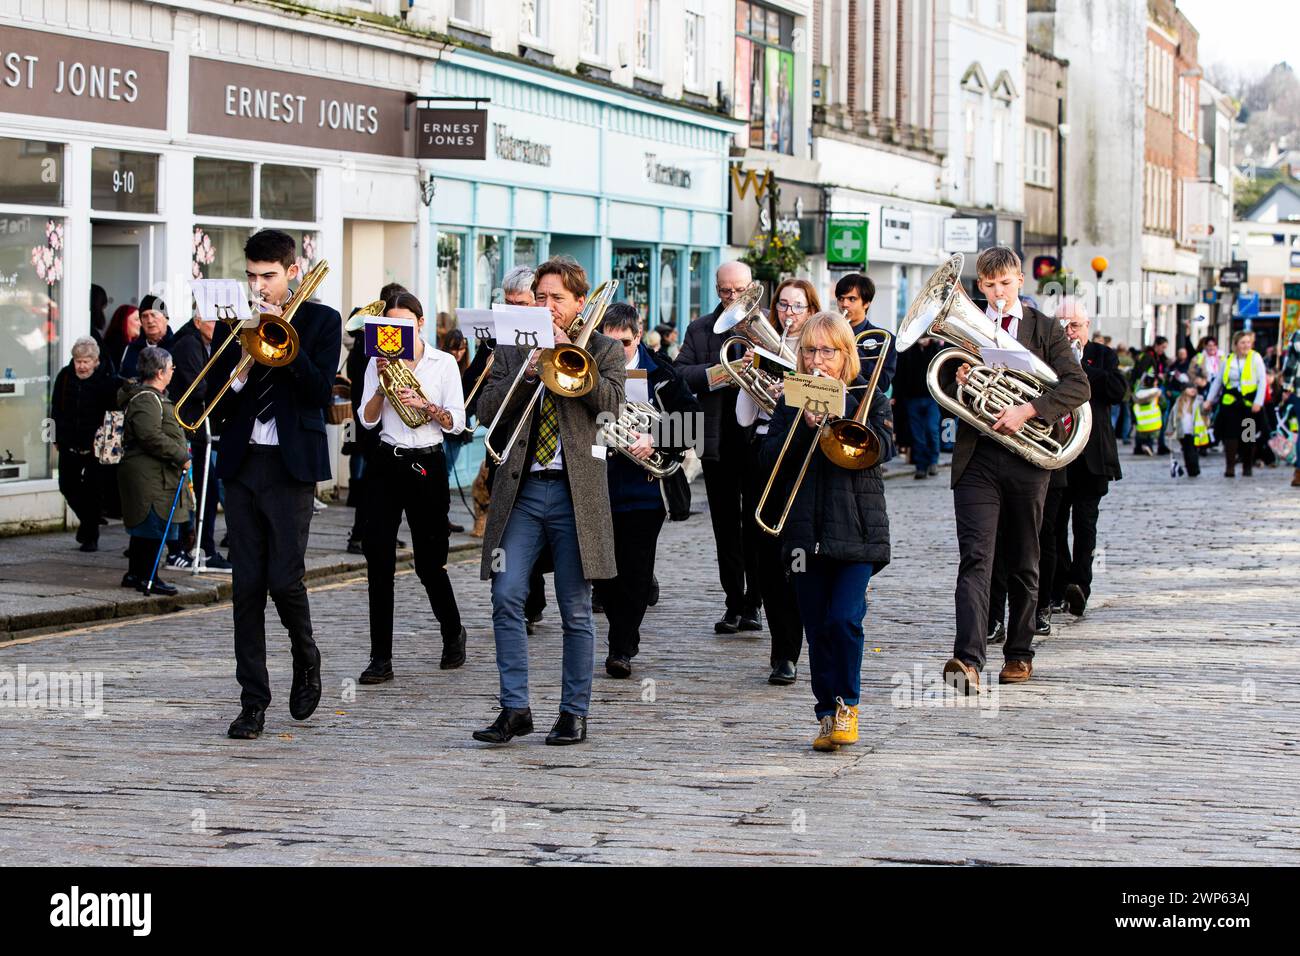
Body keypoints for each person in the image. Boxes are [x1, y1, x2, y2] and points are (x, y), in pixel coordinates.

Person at [472, 256, 624, 747]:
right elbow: (486, 409)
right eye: (541, 298)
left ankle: (573, 712)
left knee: (575, 608)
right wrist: (535, 373)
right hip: (522, 489)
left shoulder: (603, 348)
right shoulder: (516, 349)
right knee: (505, 595)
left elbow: (613, 409)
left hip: (576, 492)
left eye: (557, 298)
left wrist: (571, 367)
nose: (548, 307)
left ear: (580, 302)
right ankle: (515, 707)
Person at [211, 229, 342, 741]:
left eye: (268, 276)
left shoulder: (321, 320)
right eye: (251, 276)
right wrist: (241, 356)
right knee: (246, 587)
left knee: (285, 580)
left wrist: (279, 340)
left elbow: (316, 390)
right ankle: (253, 702)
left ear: (292, 272)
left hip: (291, 466)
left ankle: (306, 656)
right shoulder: (236, 321)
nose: (259, 285)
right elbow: (220, 395)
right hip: (243, 463)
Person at [940, 247, 1089, 693]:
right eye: (989, 285)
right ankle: (967, 660)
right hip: (978, 457)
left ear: (1020, 281)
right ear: (980, 286)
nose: (997, 292)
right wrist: (961, 379)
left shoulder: (1045, 329)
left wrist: (1028, 409)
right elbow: (942, 382)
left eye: (1005, 283)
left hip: (1026, 459)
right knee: (976, 558)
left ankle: (1020, 653)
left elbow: (1077, 385)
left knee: (1024, 558)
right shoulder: (969, 328)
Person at [759, 312, 893, 751]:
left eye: (827, 351)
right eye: (810, 350)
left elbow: (884, 447)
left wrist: (841, 423)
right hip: (802, 534)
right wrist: (805, 428)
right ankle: (825, 713)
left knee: (844, 618)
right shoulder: (791, 401)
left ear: (844, 355)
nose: (818, 359)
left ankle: (848, 705)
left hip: (856, 530)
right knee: (816, 626)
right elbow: (767, 460)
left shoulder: (867, 396)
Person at [356, 291, 468, 684]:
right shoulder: (377, 361)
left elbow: (456, 422)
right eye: (390, 324)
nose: (395, 330)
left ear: (419, 324)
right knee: (379, 561)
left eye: (403, 324)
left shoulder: (443, 364)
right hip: (389, 460)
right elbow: (367, 421)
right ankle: (380, 658)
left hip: (427, 463)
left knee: (429, 562)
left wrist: (428, 407)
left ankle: (452, 630)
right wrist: (380, 390)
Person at [594, 303, 699, 679]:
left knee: (635, 571)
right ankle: (620, 630)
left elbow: (693, 426)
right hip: (598, 484)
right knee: (603, 572)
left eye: (623, 342)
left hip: (645, 489)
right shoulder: (586, 368)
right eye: (607, 341)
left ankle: (622, 647)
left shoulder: (662, 373)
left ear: (637, 337)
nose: (615, 349)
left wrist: (655, 439)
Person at [738, 277, 819, 684]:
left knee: (801, 556)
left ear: (811, 310)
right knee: (766, 558)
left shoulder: (821, 353)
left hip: (805, 458)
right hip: (765, 456)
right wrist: (754, 377)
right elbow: (743, 418)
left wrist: (793, 381)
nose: (789, 313)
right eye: (783, 306)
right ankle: (782, 651)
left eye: (798, 307)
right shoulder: (768, 347)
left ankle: (804, 641)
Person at [675, 260, 763, 633]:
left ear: (752, 288)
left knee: (757, 526)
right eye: (725, 291)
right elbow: (679, 374)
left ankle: (755, 602)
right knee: (725, 525)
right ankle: (733, 601)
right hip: (716, 440)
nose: (731, 298)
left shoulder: (765, 325)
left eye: (739, 291)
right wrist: (720, 372)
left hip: (759, 440)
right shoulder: (699, 329)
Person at [467, 264, 552, 633]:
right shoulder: (500, 340)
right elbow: (479, 400)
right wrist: (487, 358)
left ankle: (535, 594)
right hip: (506, 445)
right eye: (508, 302)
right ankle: (523, 601)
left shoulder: (560, 335)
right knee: (508, 530)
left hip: (545, 452)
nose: (513, 309)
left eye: (521, 302)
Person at [1050, 300, 1125, 617]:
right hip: (1056, 453)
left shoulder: (1103, 355)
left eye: (1075, 326)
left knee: (1085, 526)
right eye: (1063, 326)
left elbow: (1117, 389)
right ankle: (1059, 585)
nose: (1069, 332)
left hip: (1091, 457)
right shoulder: (1046, 355)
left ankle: (1080, 585)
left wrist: (1079, 369)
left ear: (1087, 326)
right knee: (1052, 527)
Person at [116, 346, 191, 596]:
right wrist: (181, 455)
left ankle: (136, 574)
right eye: (170, 368)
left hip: (155, 473)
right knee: (152, 526)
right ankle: (148, 576)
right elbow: (149, 435)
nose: (172, 372)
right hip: (148, 475)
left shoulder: (152, 397)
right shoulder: (148, 399)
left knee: (146, 526)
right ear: (160, 372)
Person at [168, 309, 230, 570]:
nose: (217, 326)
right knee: (201, 491)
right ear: (197, 321)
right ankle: (196, 549)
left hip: (200, 428)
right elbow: (200, 386)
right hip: (191, 428)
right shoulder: (188, 344)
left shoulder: (200, 343)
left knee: (207, 490)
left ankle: (201, 547)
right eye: (212, 321)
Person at [51, 337, 119, 552]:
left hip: (96, 446)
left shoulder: (107, 380)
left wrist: (111, 445)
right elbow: (55, 408)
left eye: (86, 361)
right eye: (78, 361)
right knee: (67, 485)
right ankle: (89, 523)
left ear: (95, 361)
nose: (81, 366)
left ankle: (90, 536)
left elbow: (114, 416)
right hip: (69, 441)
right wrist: (54, 437)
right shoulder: (64, 377)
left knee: (93, 491)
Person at [1204, 330, 1268, 478]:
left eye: (1248, 342)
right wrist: (1209, 400)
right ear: (1235, 344)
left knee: (1248, 436)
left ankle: (1247, 466)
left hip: (1248, 403)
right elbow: (1218, 381)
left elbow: (1262, 381)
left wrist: (1258, 402)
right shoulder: (1228, 360)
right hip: (1231, 403)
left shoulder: (1255, 358)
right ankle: (1230, 467)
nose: (1246, 345)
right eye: (1242, 342)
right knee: (1230, 436)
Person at [834, 272, 896, 392]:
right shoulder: (829, 334)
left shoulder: (883, 339)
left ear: (866, 303)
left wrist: (853, 350)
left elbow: (883, 383)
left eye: (852, 299)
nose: (844, 304)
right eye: (840, 299)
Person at [894, 334, 942, 478]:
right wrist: (896, 396)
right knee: (917, 434)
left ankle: (933, 461)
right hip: (912, 398)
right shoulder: (907, 351)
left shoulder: (935, 349)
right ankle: (920, 466)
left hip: (931, 398)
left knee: (931, 429)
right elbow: (899, 374)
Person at [1130, 336, 1170, 455]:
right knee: (1149, 417)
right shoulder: (1148, 357)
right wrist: (1156, 379)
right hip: (1147, 391)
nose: (1163, 350)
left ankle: (1146, 445)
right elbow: (1143, 374)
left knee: (1144, 418)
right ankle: (1147, 444)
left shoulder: (1154, 356)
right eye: (1162, 347)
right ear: (1156, 345)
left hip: (1145, 390)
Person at [119, 296, 174, 379]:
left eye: (153, 315)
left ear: (166, 318)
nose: (150, 321)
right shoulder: (131, 348)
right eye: (145, 316)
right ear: (141, 321)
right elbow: (122, 380)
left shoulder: (177, 346)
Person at [103, 304, 140, 373]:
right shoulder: (115, 345)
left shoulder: (133, 344)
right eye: (137, 319)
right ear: (124, 320)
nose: (140, 324)